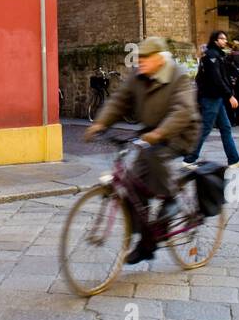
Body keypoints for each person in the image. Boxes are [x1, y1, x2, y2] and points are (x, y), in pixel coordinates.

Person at [84, 36, 199, 264]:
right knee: (134, 183)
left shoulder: (178, 76)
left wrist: (159, 133)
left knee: (155, 157)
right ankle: (146, 242)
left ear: (159, 59)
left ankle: (171, 198)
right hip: (150, 132)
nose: (141, 63)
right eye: (139, 59)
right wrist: (100, 123)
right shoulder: (138, 76)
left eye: (145, 58)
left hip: (180, 132)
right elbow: (119, 100)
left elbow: (182, 111)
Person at [186, 31, 239, 167]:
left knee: (225, 127)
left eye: (225, 38)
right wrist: (229, 95)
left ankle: (234, 160)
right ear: (215, 40)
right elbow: (217, 78)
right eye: (222, 38)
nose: (225, 41)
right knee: (206, 128)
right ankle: (189, 159)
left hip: (215, 97)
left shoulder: (216, 54)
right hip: (211, 97)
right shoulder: (212, 55)